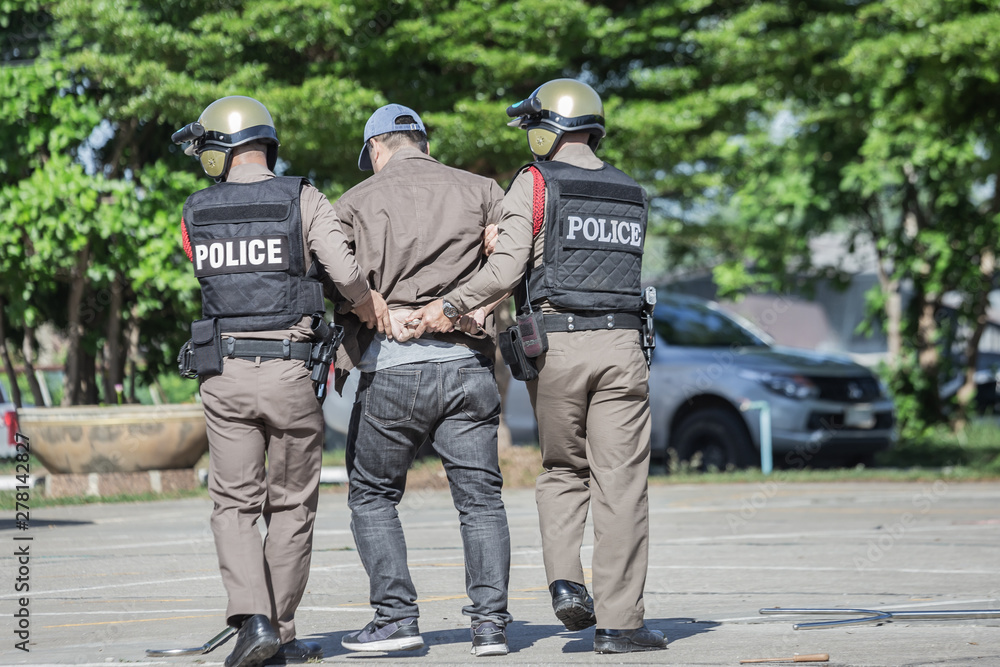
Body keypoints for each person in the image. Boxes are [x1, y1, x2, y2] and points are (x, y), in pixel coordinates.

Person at [410, 79, 666, 654]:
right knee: (622, 485)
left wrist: (448, 305)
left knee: (561, 468)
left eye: (532, 125)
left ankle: (566, 581)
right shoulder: (631, 191)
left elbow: (504, 272)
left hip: (557, 347)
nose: (529, 136)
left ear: (550, 128)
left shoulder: (534, 183)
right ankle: (622, 626)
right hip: (624, 347)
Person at [174, 95, 391, 667]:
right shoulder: (304, 198)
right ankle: (282, 630)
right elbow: (344, 274)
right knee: (292, 505)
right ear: (267, 143)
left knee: (234, 504)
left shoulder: (194, 211)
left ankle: (256, 622)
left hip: (224, 373)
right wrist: (369, 306)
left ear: (221, 149)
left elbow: (203, 266)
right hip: (293, 371)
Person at [331, 104, 512, 657]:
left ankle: (395, 619)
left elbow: (328, 272)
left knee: (371, 494)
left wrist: (368, 302)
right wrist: (476, 307)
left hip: (393, 367)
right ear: (424, 143)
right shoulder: (483, 190)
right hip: (466, 367)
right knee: (480, 500)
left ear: (376, 150)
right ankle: (490, 628)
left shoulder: (354, 202)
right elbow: (518, 257)